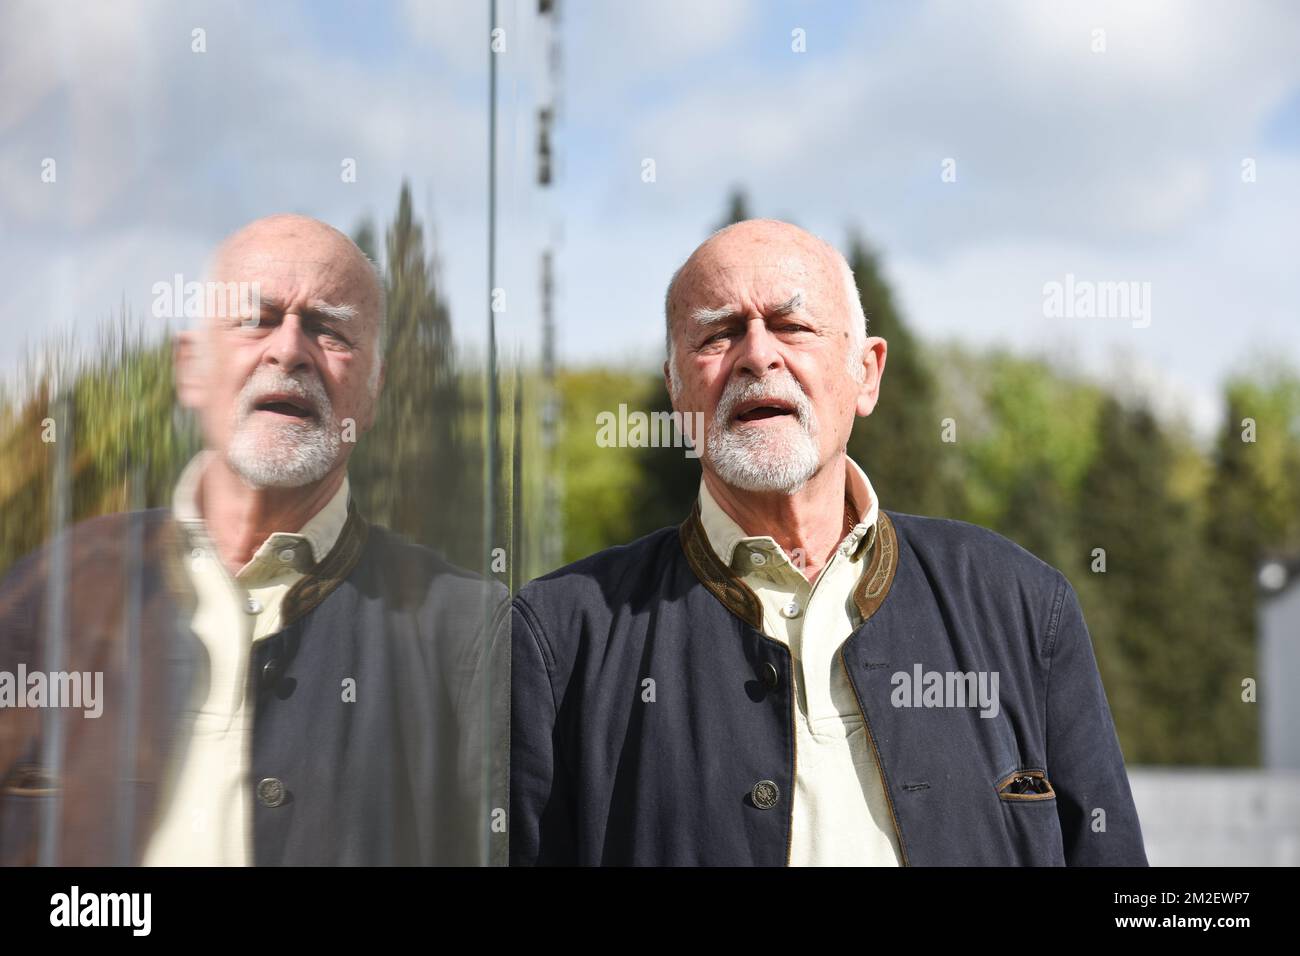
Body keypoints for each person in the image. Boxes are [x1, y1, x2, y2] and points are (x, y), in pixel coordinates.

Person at [510, 218, 1147, 866]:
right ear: (677, 392)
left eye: (792, 326)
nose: (758, 355)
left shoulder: (1023, 607)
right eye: (719, 333)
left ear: (866, 374)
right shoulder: (559, 639)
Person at [0, 215, 507, 866]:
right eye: (256, 318)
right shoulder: (49, 595)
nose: (289, 350)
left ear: (373, 391)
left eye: (329, 328)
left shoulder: (470, 632)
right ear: (191, 368)